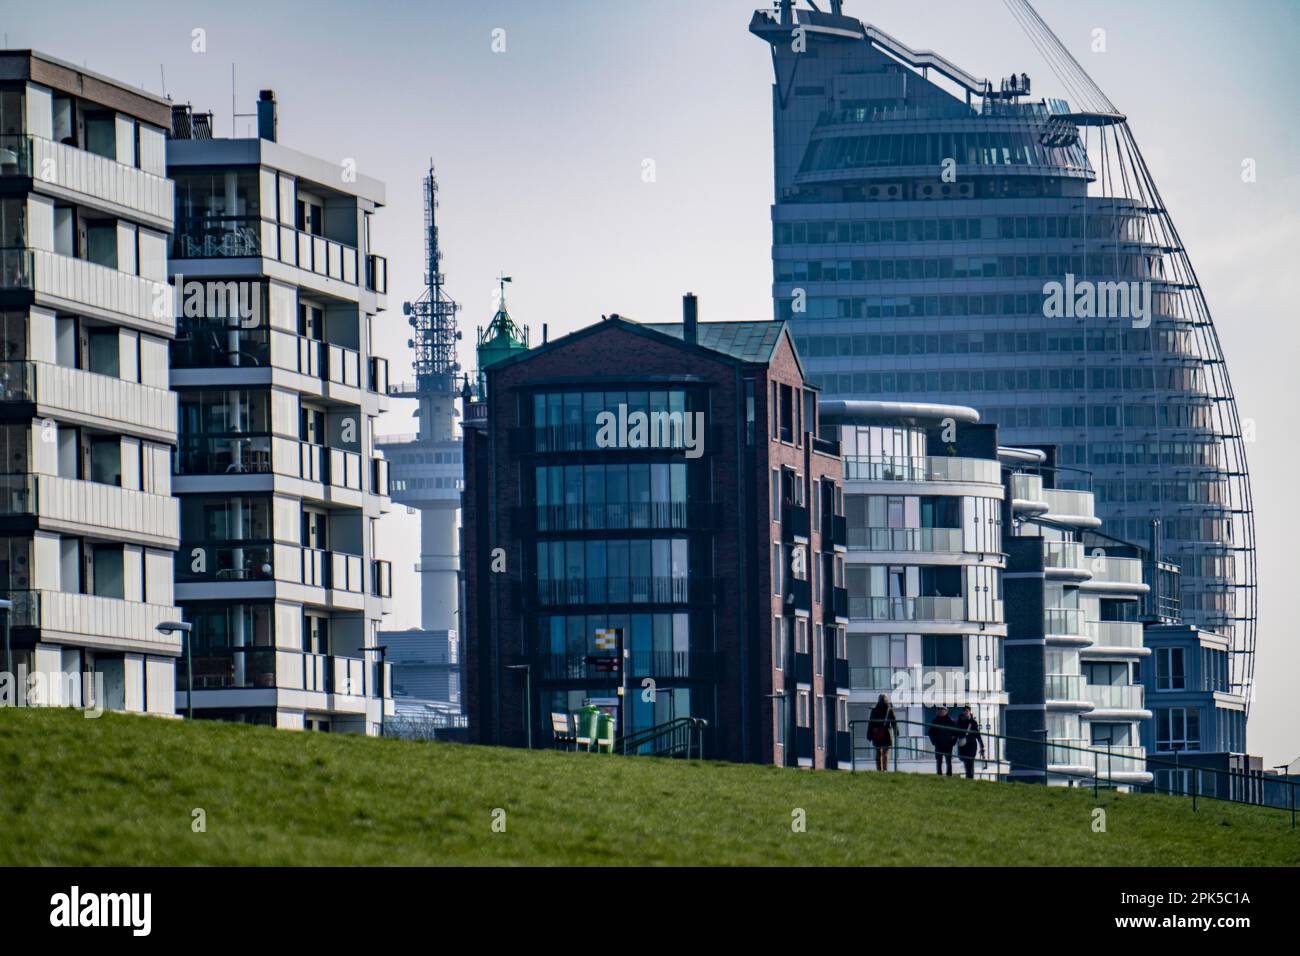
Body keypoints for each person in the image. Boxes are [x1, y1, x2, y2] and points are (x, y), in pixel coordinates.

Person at [867, 693, 899, 771]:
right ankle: (885, 769)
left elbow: (871, 723)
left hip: (877, 733)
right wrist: (896, 731)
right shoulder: (889, 710)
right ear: (886, 700)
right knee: (885, 752)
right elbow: (894, 722)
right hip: (886, 733)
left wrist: (869, 734)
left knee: (878, 752)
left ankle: (879, 769)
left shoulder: (874, 710)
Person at [927, 706, 959, 775]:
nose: (941, 711)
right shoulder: (935, 721)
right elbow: (930, 732)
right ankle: (939, 776)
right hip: (938, 745)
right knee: (939, 761)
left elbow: (956, 733)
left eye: (942, 709)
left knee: (948, 761)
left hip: (948, 745)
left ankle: (949, 775)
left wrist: (953, 742)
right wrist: (934, 742)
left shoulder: (951, 721)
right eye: (939, 709)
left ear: (946, 711)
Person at [956, 705, 984, 779]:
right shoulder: (959, 721)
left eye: (967, 711)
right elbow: (956, 732)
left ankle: (970, 777)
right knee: (966, 761)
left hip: (971, 745)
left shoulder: (973, 722)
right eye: (965, 711)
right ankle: (969, 776)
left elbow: (977, 734)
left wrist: (982, 745)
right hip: (963, 745)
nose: (966, 712)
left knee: (970, 761)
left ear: (969, 712)